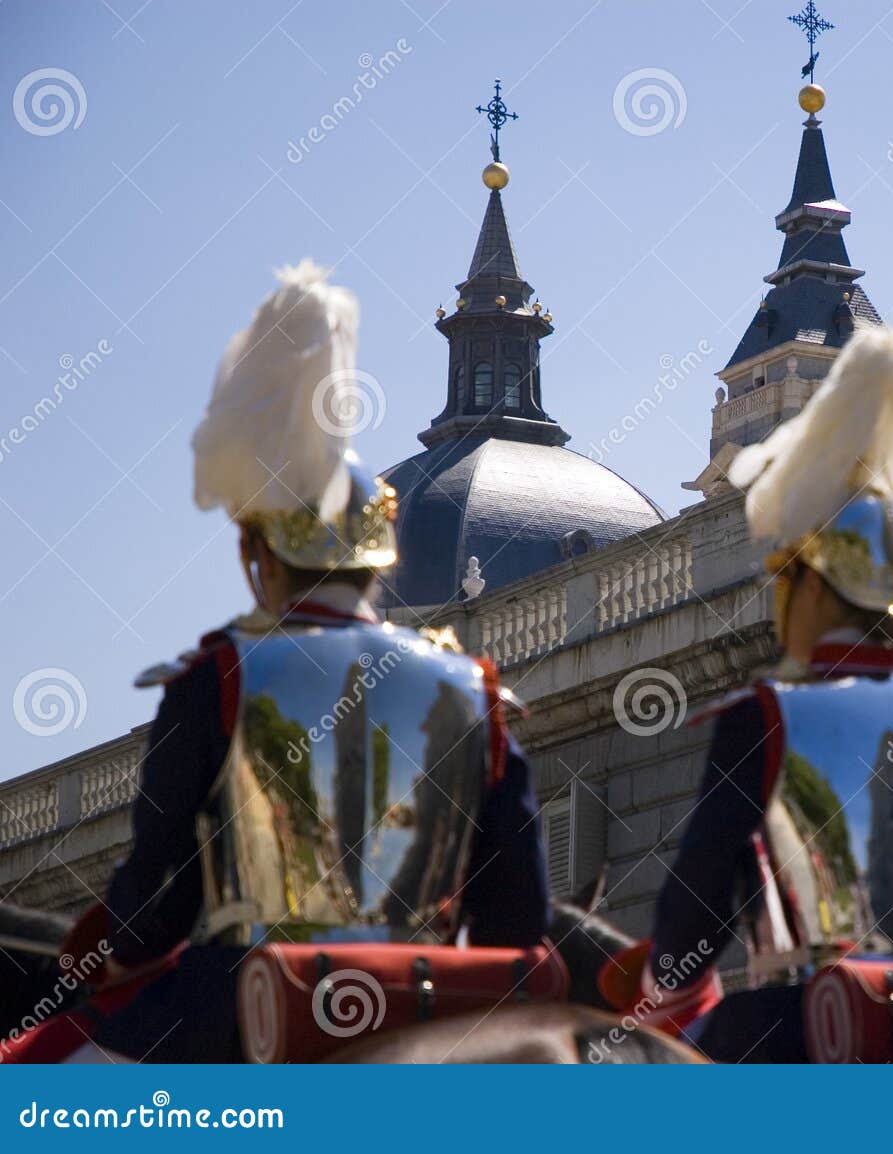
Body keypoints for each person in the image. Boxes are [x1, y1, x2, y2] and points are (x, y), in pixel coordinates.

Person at [70, 261, 548, 1062]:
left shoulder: (220, 677)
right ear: (383, 555)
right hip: (430, 1008)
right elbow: (520, 914)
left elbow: (157, 898)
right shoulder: (473, 689)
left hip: (243, 1005)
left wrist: (115, 952)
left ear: (259, 554)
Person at [601, 315, 893, 1062]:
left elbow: (697, 910)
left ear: (812, 585)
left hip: (792, 1031)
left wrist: (666, 987)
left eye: (785, 581)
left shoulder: (765, 717)